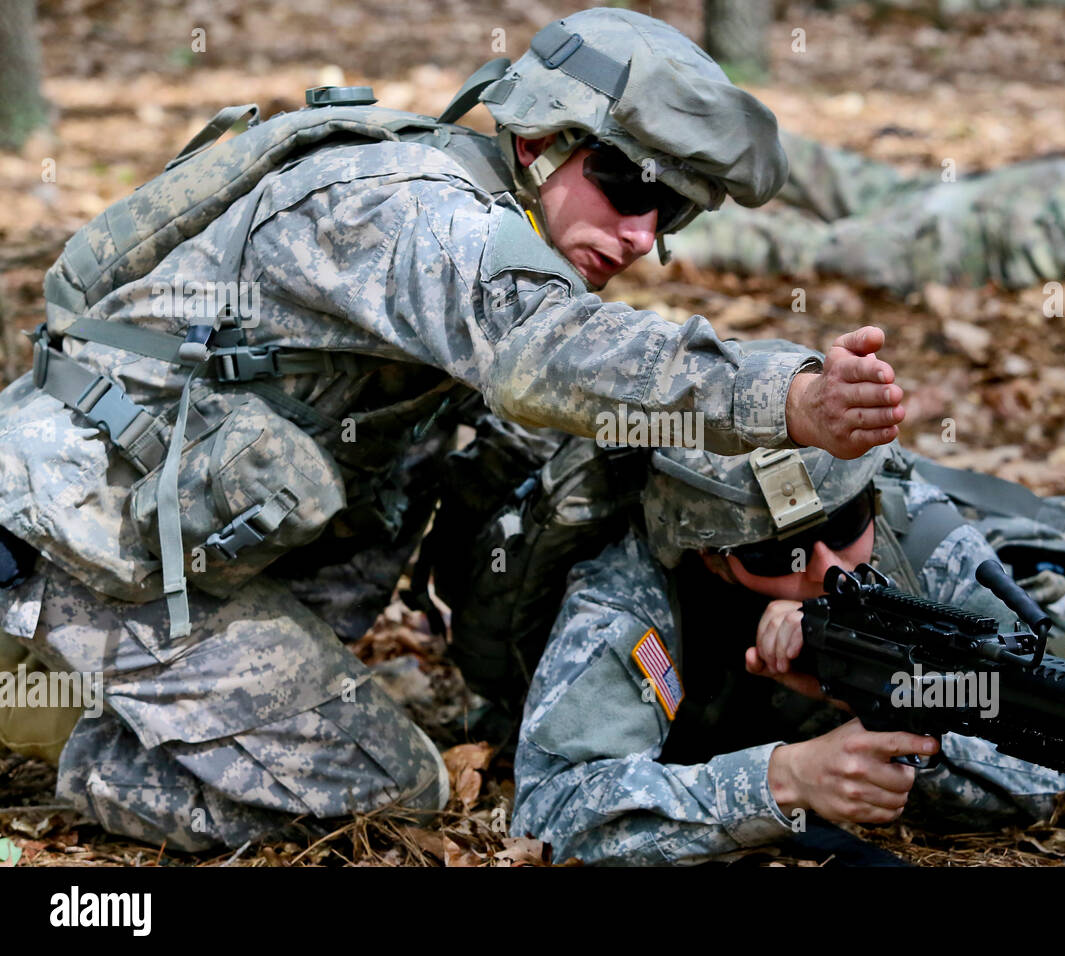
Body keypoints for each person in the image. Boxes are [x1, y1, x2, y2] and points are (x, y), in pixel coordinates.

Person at [0, 8, 907, 851]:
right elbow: (545, 351)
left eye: (668, 210)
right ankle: (81, 740)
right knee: (392, 786)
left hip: (161, 543)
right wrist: (788, 397)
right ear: (540, 141)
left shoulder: (501, 230)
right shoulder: (408, 209)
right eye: (626, 182)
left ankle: (112, 693)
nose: (638, 233)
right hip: (78, 536)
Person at [510, 441, 1065, 865]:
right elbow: (549, 816)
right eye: (776, 554)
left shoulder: (922, 534)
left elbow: (1064, 760)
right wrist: (782, 781)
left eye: (845, 525)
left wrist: (897, 713)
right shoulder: (628, 589)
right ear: (706, 555)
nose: (827, 569)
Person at [670, 129, 1065, 297]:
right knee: (812, 244)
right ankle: (653, 220)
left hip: (1027, 196)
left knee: (832, 177)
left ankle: (683, 134)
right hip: (995, 236)